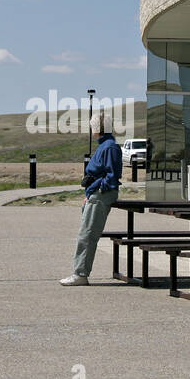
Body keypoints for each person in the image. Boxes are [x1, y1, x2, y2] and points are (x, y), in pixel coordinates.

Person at [60, 111, 122, 286]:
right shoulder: (106, 145)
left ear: (98, 127)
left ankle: (80, 274)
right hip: (96, 193)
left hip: (100, 194)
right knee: (86, 233)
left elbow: (111, 174)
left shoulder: (109, 147)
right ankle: (80, 272)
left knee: (87, 235)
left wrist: (98, 190)